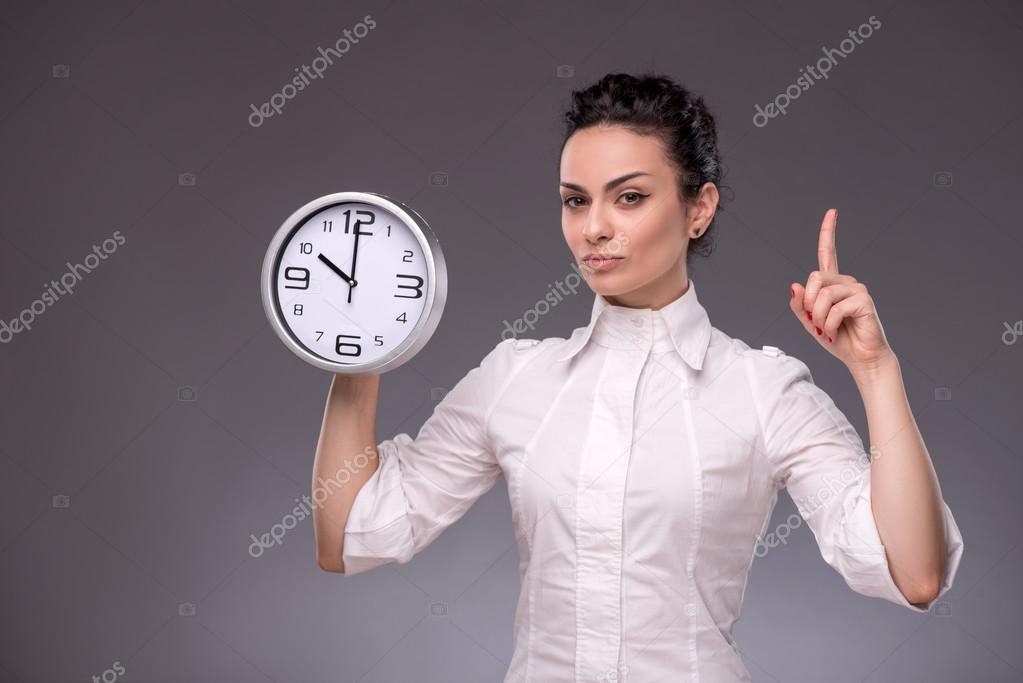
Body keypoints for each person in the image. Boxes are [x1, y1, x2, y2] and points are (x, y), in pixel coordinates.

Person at [311, 71, 964, 682]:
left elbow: (914, 574)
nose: (594, 228)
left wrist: (875, 371)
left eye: (629, 197)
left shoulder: (764, 391)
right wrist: (363, 346)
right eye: (575, 200)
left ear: (698, 208)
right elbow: (349, 534)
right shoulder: (514, 377)